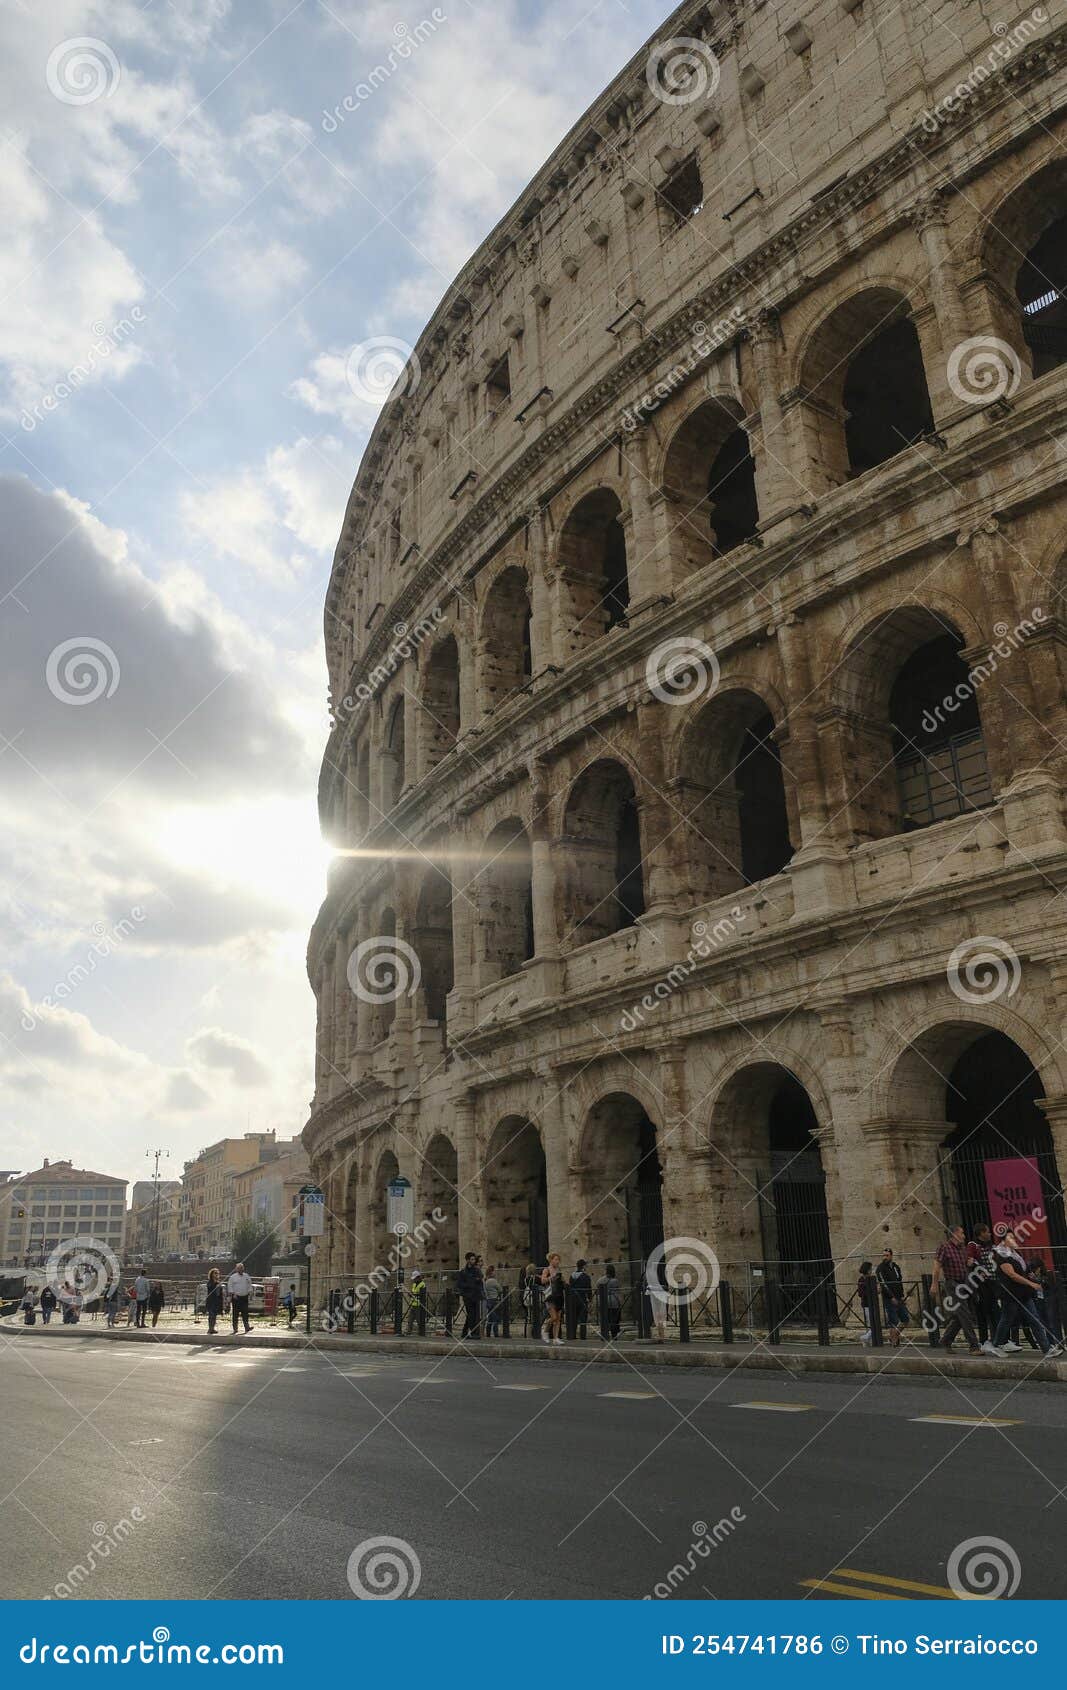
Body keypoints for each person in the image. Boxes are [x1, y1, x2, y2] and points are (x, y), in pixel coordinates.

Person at [986, 1232, 1059, 1356]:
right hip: (1011, 1294)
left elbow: (1022, 1271)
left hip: (1023, 1293)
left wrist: (1030, 1277)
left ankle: (1046, 1349)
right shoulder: (999, 1255)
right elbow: (1012, 1275)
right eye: (1011, 1238)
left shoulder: (1015, 1254)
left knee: (1034, 1320)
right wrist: (1031, 1284)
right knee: (1006, 1320)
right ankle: (995, 1344)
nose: (1014, 1240)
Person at [931, 1225, 982, 1356]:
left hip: (963, 1283)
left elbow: (965, 1264)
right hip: (952, 1284)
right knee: (964, 1314)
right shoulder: (944, 1247)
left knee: (961, 1314)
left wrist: (969, 1262)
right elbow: (937, 1266)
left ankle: (946, 1340)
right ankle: (973, 1346)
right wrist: (934, 1284)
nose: (964, 1236)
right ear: (954, 1234)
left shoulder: (961, 1249)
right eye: (962, 1233)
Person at [967, 1225, 999, 1345]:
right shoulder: (973, 1245)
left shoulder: (991, 1246)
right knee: (982, 1312)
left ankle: (997, 1338)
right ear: (981, 1233)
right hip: (981, 1284)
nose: (990, 1234)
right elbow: (971, 1260)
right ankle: (984, 1340)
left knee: (994, 1311)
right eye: (987, 1232)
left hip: (993, 1282)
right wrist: (978, 1269)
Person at [875, 1247, 908, 1346]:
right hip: (889, 1298)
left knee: (905, 1319)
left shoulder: (895, 1267)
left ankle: (894, 1336)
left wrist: (901, 1296)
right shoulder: (880, 1268)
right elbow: (883, 1283)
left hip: (898, 1296)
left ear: (891, 1256)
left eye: (887, 1255)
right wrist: (891, 1297)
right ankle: (894, 1343)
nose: (885, 1257)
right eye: (883, 1255)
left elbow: (899, 1281)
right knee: (893, 1320)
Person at [540, 1252, 565, 1345]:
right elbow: (542, 1280)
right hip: (550, 1296)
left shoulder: (559, 1270)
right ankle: (544, 1330)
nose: (558, 1261)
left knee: (558, 1319)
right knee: (553, 1317)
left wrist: (563, 1280)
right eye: (556, 1259)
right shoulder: (547, 1270)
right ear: (551, 1260)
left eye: (558, 1260)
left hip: (558, 1295)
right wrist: (552, 1277)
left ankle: (555, 1338)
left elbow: (562, 1281)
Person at [456, 1253, 482, 1339]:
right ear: (467, 1260)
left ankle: (464, 1332)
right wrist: (470, 1284)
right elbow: (459, 1284)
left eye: (474, 1259)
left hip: (475, 1295)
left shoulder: (476, 1270)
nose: (473, 1261)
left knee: (474, 1315)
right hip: (467, 1296)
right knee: (471, 1314)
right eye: (472, 1259)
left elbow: (480, 1280)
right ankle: (474, 1333)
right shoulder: (463, 1272)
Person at [596, 1262, 622, 1340]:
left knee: (604, 1319)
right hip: (613, 1302)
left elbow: (597, 1287)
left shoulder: (600, 1280)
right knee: (614, 1320)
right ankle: (614, 1336)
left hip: (603, 1302)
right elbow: (617, 1291)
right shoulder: (615, 1281)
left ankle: (604, 1335)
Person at [226, 1262, 252, 1334]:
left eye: (242, 1268)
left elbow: (249, 1284)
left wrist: (250, 1292)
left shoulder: (246, 1276)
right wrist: (232, 1294)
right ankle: (235, 1328)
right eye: (239, 1268)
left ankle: (247, 1327)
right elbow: (230, 1286)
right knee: (235, 1314)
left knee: (245, 1313)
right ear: (236, 1269)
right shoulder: (233, 1277)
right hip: (236, 1297)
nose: (241, 1269)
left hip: (245, 1297)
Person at [570, 1259, 592, 1340]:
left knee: (574, 1319)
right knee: (583, 1319)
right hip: (582, 1299)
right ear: (583, 1266)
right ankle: (583, 1337)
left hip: (573, 1300)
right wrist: (590, 1300)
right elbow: (589, 1289)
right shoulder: (586, 1277)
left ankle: (572, 1336)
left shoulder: (571, 1276)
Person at [857, 1262, 875, 1344]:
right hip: (866, 1304)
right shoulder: (861, 1280)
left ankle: (869, 1339)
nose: (872, 1270)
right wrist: (870, 1291)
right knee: (871, 1323)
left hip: (873, 1303)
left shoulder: (872, 1278)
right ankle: (865, 1338)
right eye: (871, 1269)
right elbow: (860, 1293)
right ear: (867, 1270)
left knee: (873, 1323)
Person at [482, 1265, 502, 1337]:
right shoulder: (493, 1281)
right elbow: (500, 1289)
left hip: (488, 1300)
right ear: (491, 1272)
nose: (495, 1273)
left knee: (490, 1317)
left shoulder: (485, 1281)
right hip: (494, 1300)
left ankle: (488, 1333)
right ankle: (496, 1333)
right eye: (494, 1271)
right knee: (495, 1318)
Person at [404, 1269, 426, 1334]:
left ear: (418, 1277)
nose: (414, 1280)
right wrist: (410, 1294)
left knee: (419, 1319)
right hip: (413, 1304)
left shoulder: (422, 1284)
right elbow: (413, 1292)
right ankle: (409, 1331)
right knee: (410, 1319)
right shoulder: (414, 1284)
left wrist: (413, 1295)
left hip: (419, 1305)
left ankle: (421, 1332)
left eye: (415, 1278)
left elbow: (422, 1294)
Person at [204, 1268, 223, 1336]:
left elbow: (219, 1293)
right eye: (215, 1273)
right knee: (211, 1315)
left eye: (217, 1273)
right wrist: (215, 1284)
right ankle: (210, 1328)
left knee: (214, 1315)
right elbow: (210, 1287)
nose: (216, 1274)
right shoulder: (210, 1282)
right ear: (212, 1274)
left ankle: (213, 1328)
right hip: (211, 1301)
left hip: (216, 1301)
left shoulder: (218, 1282)